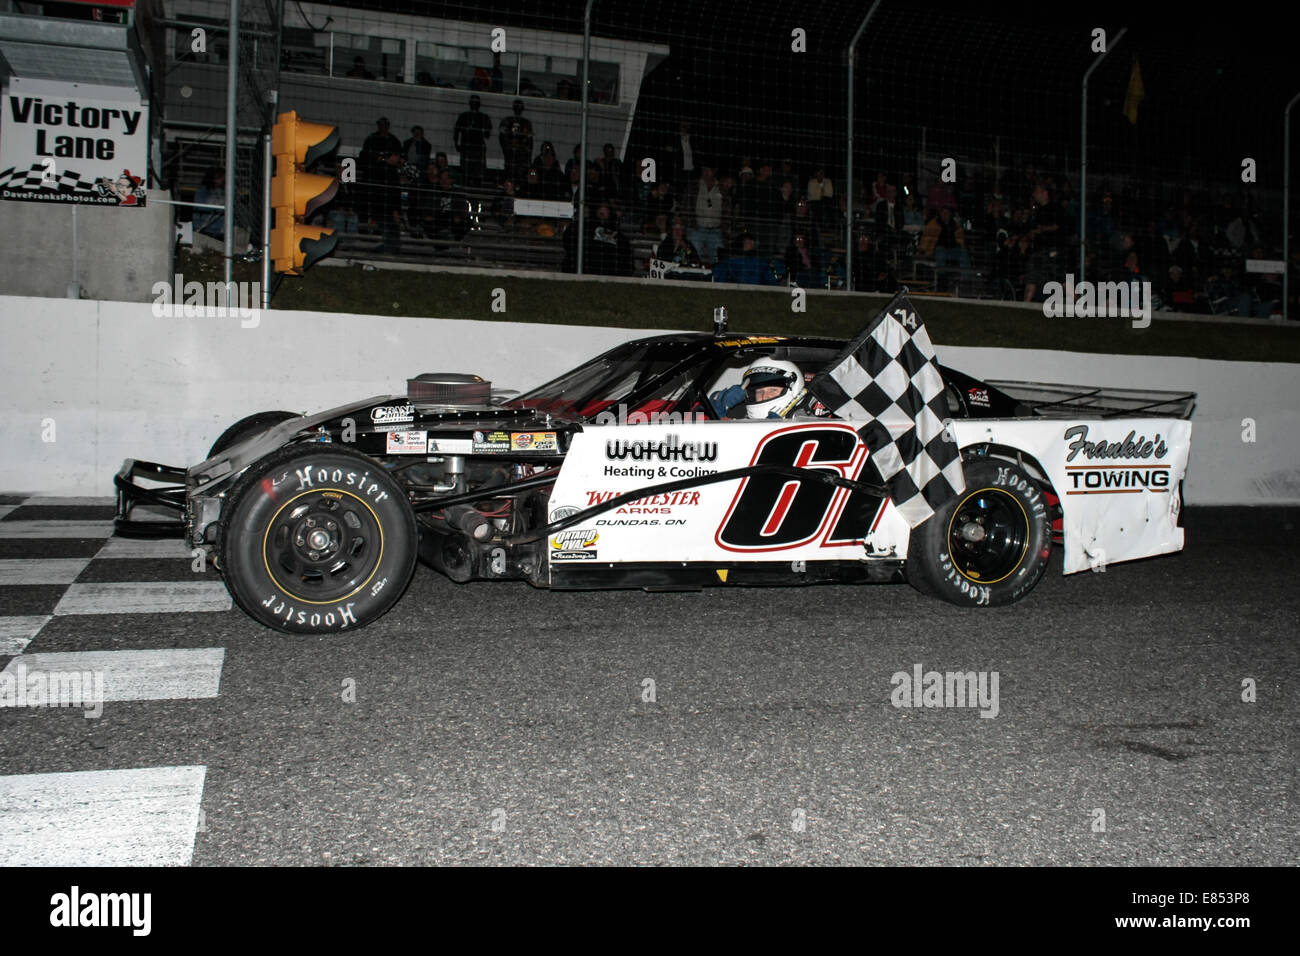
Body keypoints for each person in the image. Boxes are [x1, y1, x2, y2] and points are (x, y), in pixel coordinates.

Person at [710, 359, 805, 419]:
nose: (764, 396)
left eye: (773, 390)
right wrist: (711, 412)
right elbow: (696, 425)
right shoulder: (739, 417)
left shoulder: (809, 423)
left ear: (795, 389)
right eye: (760, 392)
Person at [453, 95, 492, 188]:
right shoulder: (464, 116)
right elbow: (456, 130)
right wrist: (456, 144)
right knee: (466, 172)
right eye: (473, 102)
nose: (475, 104)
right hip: (467, 148)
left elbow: (487, 134)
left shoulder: (484, 117)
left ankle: (476, 191)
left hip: (478, 149)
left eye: (476, 102)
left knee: (478, 173)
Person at [710, 233, 777, 285]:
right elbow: (719, 277)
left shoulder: (761, 262)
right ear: (742, 243)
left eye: (752, 241)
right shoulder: (730, 261)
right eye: (748, 242)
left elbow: (771, 282)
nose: (752, 243)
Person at [498, 99, 534, 185]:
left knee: (521, 175)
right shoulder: (507, 120)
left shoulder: (526, 123)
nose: (518, 109)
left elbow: (530, 140)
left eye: (520, 107)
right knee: (510, 173)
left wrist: (528, 154)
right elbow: (502, 135)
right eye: (516, 107)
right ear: (513, 108)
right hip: (511, 153)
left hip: (522, 155)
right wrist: (506, 149)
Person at [193, 167, 225, 238]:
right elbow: (200, 209)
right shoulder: (202, 191)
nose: (221, 180)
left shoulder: (224, 193)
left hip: (220, 231)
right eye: (219, 177)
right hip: (205, 230)